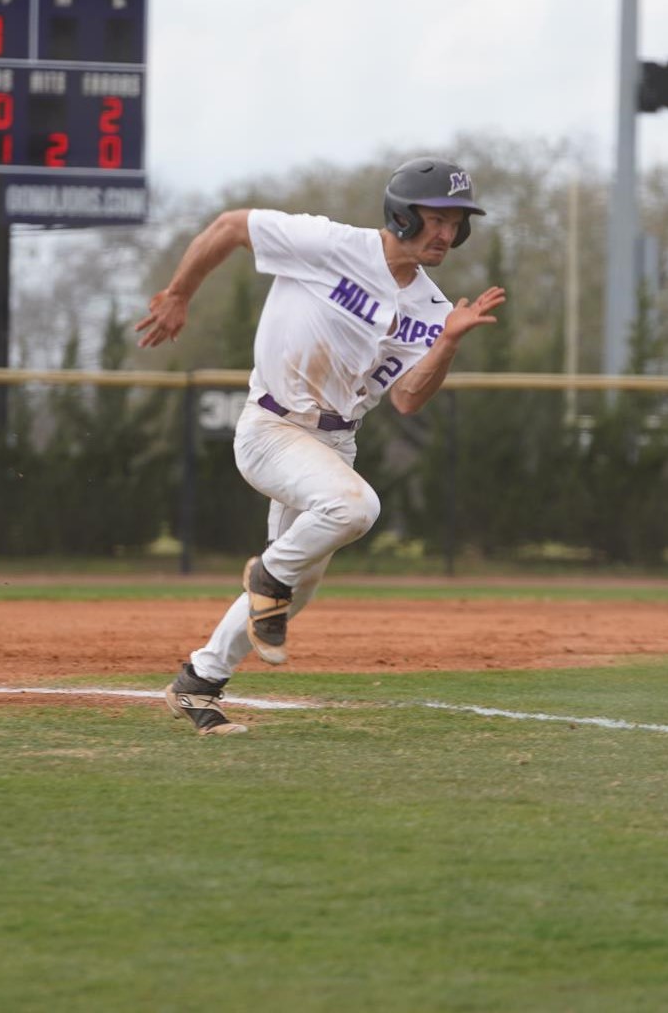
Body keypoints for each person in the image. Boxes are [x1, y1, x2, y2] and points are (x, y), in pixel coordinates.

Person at [136, 156, 507, 735]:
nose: (447, 234)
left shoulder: (434, 309)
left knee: (296, 590)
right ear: (402, 215)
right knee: (355, 510)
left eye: (456, 223)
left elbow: (408, 398)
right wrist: (180, 294)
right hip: (273, 428)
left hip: (335, 443)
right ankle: (267, 576)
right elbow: (231, 227)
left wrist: (448, 344)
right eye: (436, 219)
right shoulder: (330, 245)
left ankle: (198, 683)